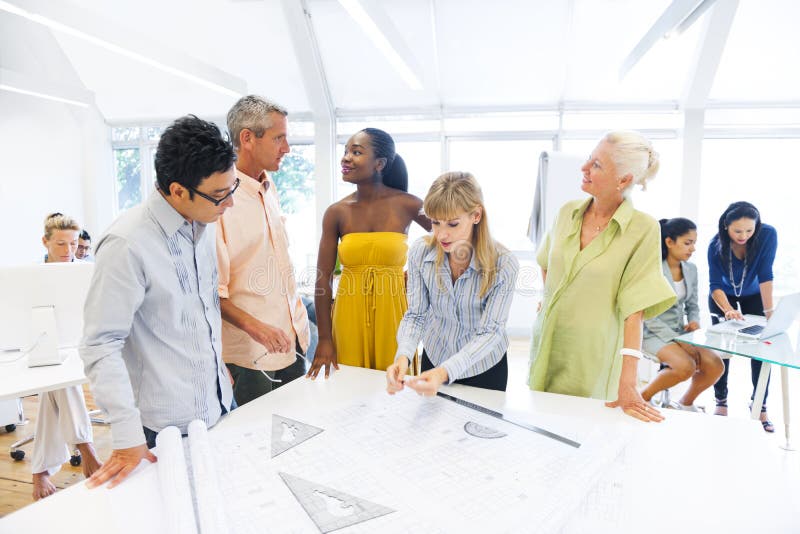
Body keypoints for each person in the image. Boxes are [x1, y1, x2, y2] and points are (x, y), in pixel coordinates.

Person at [80, 115, 237, 489]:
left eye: (233, 189)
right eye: (220, 194)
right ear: (178, 190)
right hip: (162, 429)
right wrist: (124, 434)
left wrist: (217, 368)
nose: (229, 204)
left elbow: (197, 310)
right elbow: (100, 345)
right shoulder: (127, 244)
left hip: (218, 406)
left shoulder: (203, 222)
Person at [528, 130, 675, 422]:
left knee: (582, 438)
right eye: (589, 159)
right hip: (547, 343)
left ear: (624, 180)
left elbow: (636, 310)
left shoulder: (643, 229)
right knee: (540, 429)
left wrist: (628, 381)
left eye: (597, 165)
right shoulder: (567, 212)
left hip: (592, 355)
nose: (584, 168)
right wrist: (550, 301)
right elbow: (546, 261)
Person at [309, 128, 430, 378]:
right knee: (349, 395)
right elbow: (323, 280)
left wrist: (418, 275)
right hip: (347, 317)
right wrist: (324, 339)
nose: (345, 158)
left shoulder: (409, 204)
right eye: (345, 151)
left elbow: (450, 239)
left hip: (394, 315)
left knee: (396, 394)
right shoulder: (337, 212)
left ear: (379, 164)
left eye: (356, 152)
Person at [215, 95, 311, 406]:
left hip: (293, 341)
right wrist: (257, 328)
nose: (287, 148)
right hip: (251, 356)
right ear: (247, 139)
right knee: (255, 446)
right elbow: (213, 292)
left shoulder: (269, 189)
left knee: (294, 437)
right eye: (278, 138)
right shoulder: (220, 203)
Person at [386, 171, 519, 395]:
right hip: (435, 358)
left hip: (484, 369)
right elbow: (416, 314)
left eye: (453, 224)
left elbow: (490, 332)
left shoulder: (504, 264)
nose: (441, 235)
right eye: (435, 223)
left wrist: (444, 372)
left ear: (476, 215)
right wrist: (403, 356)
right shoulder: (420, 252)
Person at [32, 213, 101, 500]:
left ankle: (41, 470)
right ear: (45, 242)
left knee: (57, 384)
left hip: (82, 343)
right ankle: (86, 448)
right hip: (43, 344)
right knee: (59, 381)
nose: (68, 251)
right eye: (60, 244)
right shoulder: (32, 274)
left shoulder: (86, 270)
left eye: (74, 244)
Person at [640, 218, 724, 410]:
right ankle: (643, 397)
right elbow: (647, 315)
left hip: (680, 332)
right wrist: (679, 340)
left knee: (715, 364)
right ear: (669, 242)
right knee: (685, 366)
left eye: (694, 243)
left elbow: (693, 305)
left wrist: (694, 321)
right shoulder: (652, 269)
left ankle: (685, 403)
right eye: (687, 243)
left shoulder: (691, 269)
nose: (692, 249)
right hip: (651, 332)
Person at [708, 201, 777, 432]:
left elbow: (766, 274)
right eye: (738, 231)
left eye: (749, 230)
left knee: (761, 349)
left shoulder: (767, 235)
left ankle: (760, 405)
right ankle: (721, 400)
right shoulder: (715, 246)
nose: (744, 236)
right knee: (723, 349)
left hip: (755, 295)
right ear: (726, 226)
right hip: (723, 297)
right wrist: (727, 309)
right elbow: (715, 285)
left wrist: (769, 314)